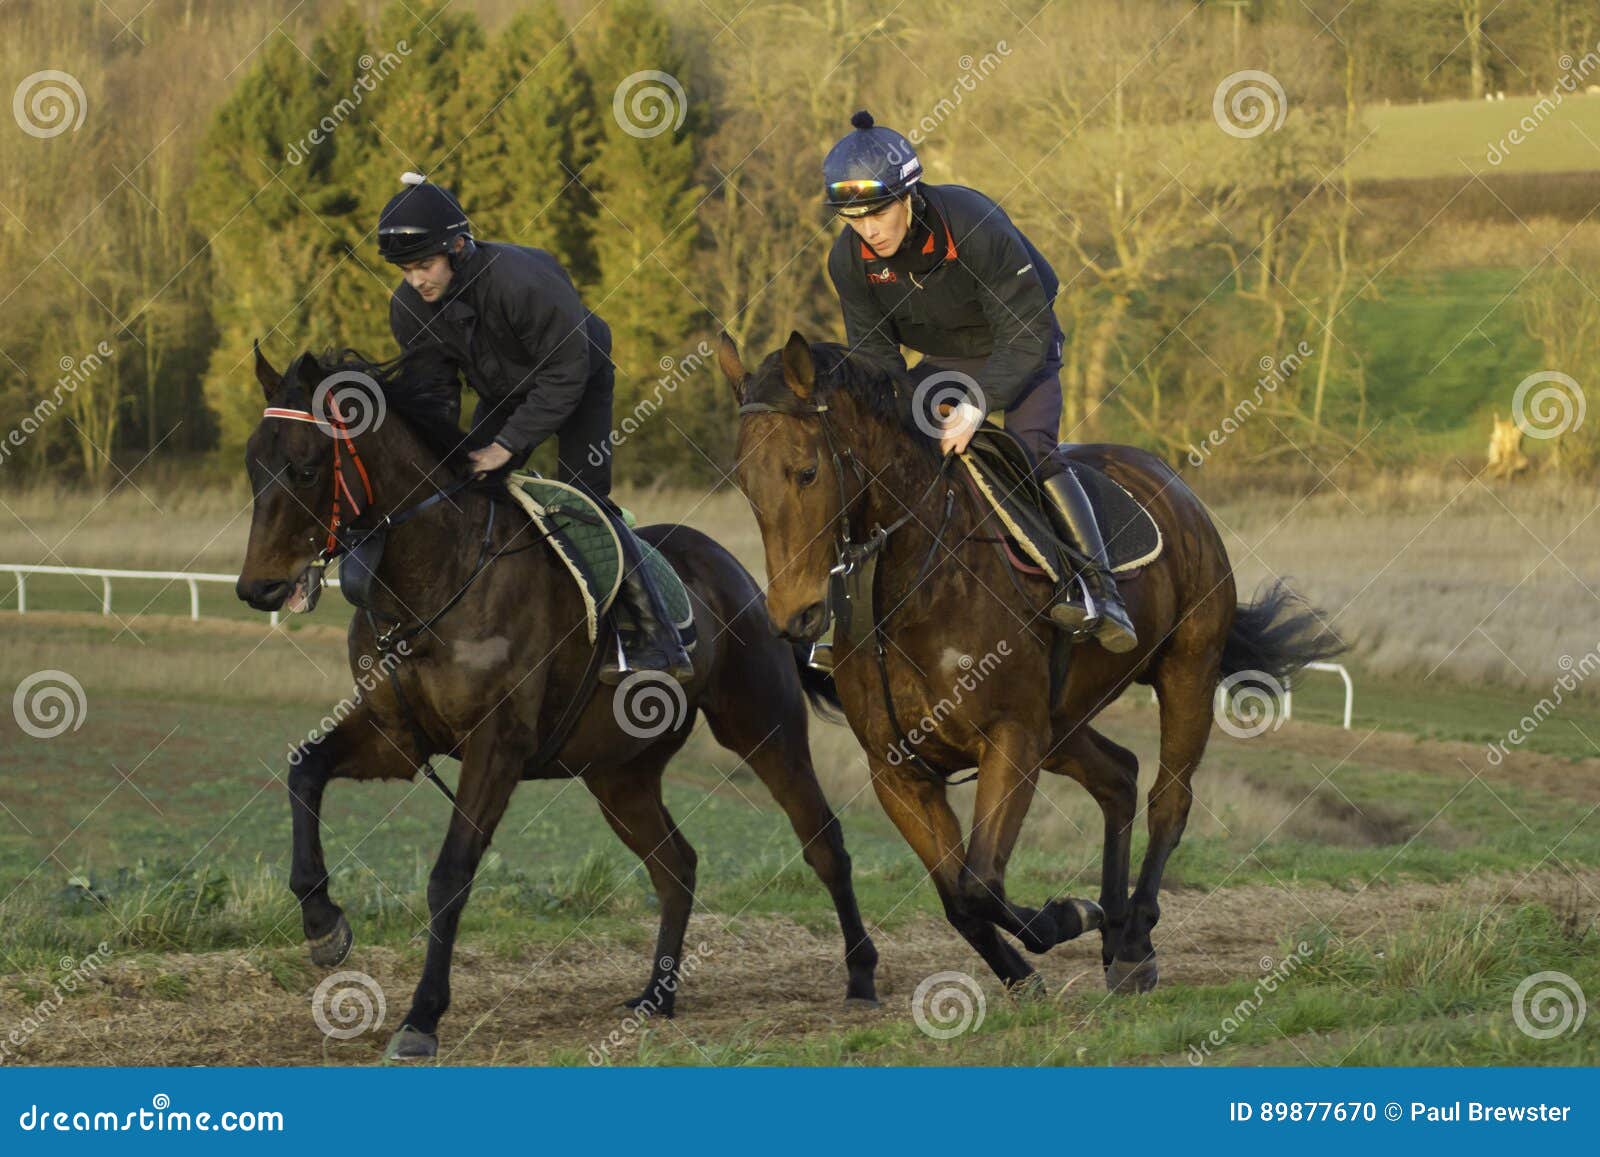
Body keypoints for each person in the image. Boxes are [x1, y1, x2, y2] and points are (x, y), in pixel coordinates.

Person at [821, 110, 1137, 653]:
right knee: (883, 454)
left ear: (909, 198)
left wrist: (978, 405)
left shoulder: (975, 226)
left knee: (1030, 452)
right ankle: (848, 616)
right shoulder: (849, 260)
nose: (869, 230)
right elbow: (875, 356)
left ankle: (1096, 589)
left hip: (1022, 344)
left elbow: (1027, 331)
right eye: (854, 218)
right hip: (945, 360)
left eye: (878, 212)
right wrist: (886, 419)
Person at [377, 171, 693, 682]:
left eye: (425, 266)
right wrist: (438, 456)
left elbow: (565, 373)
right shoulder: (410, 307)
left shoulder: (521, 282)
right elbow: (434, 391)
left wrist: (508, 444)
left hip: (579, 373)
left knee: (583, 504)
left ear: (458, 247)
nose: (417, 281)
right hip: (504, 392)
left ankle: (657, 638)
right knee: (465, 487)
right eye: (406, 270)